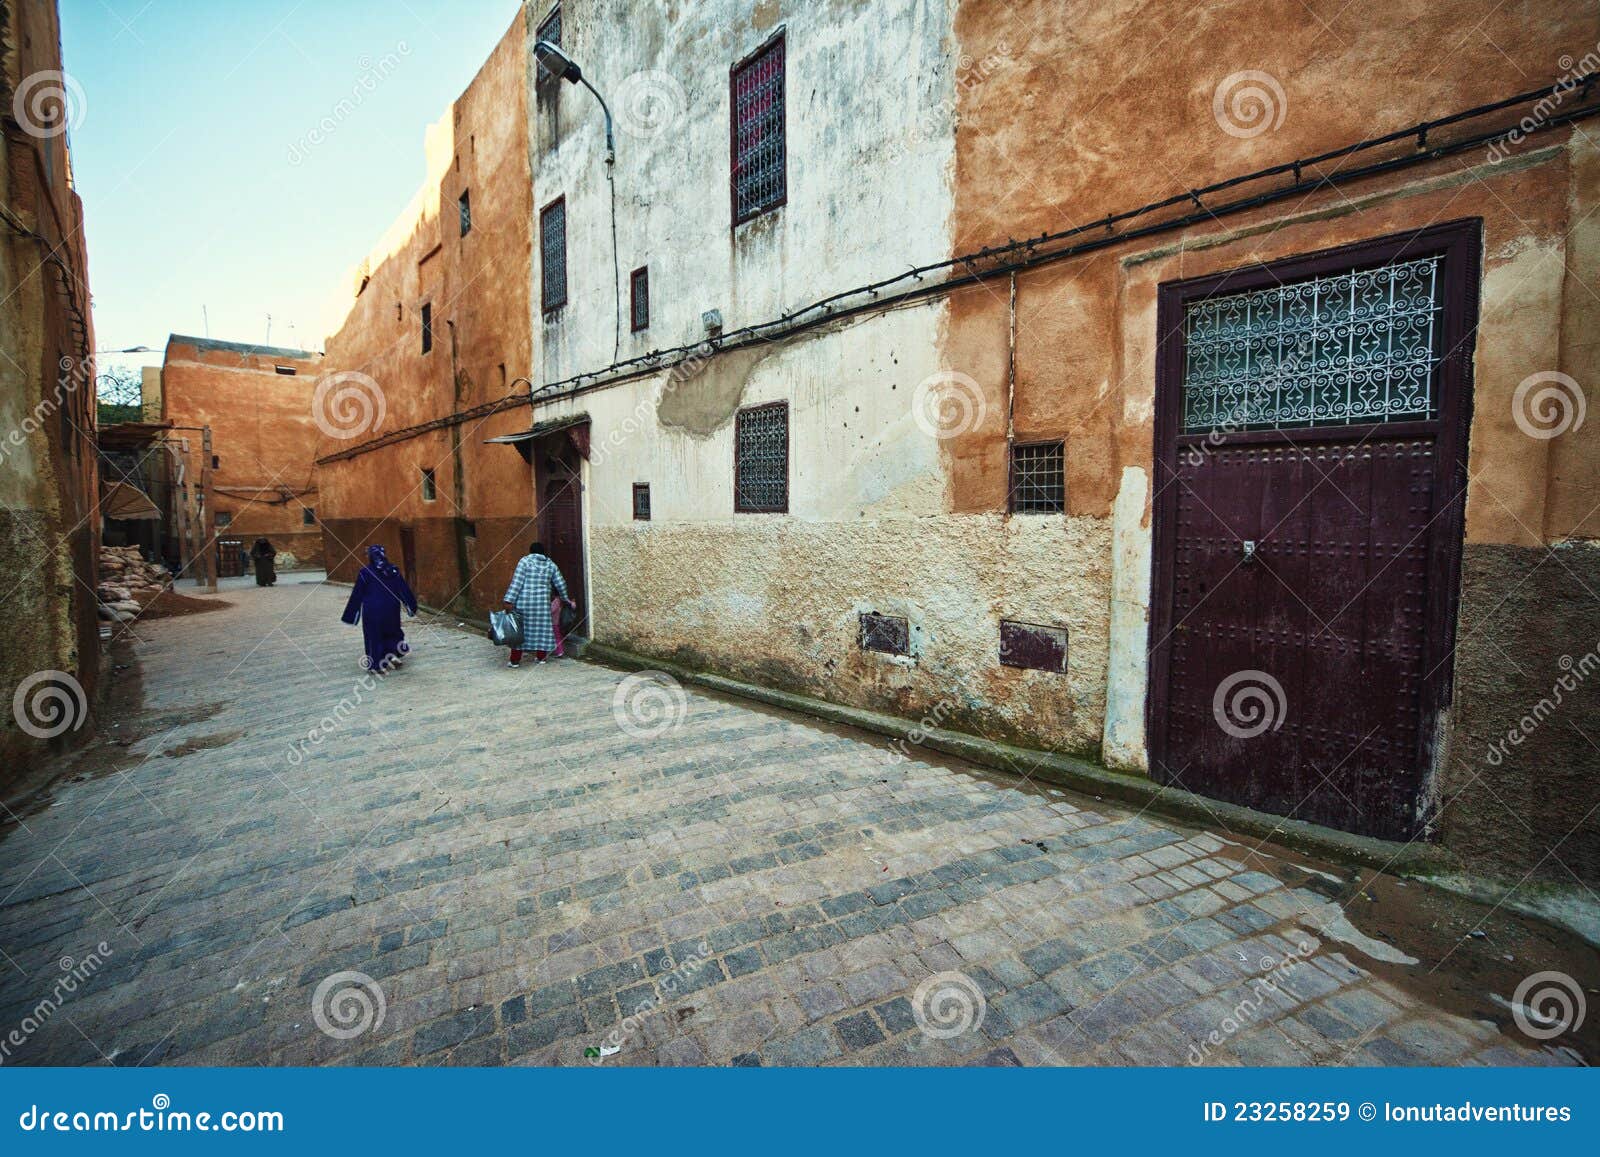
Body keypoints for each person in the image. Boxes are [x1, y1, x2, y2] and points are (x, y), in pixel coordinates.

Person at [341, 544, 418, 672]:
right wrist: (410, 605)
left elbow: (357, 594)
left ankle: (377, 665)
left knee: (374, 635)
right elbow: (403, 589)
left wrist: (351, 614)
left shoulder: (365, 572)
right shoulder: (393, 570)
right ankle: (393, 655)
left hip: (372, 610)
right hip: (391, 608)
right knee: (393, 630)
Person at [503, 542, 572, 667]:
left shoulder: (524, 562)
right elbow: (561, 584)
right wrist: (565, 598)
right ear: (543, 552)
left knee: (520, 631)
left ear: (530, 551)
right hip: (542, 605)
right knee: (543, 631)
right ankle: (541, 658)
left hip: (524, 603)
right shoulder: (551, 565)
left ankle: (515, 661)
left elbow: (516, 583)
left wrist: (509, 600)